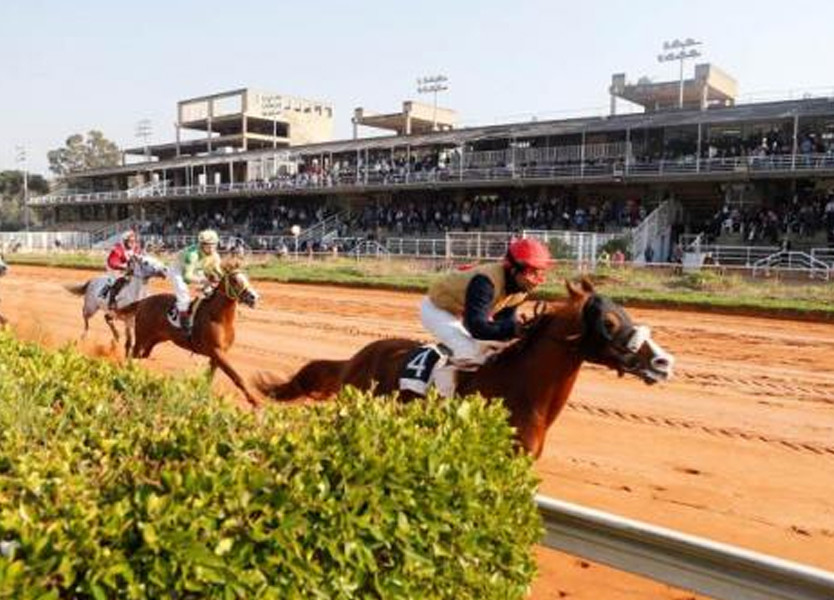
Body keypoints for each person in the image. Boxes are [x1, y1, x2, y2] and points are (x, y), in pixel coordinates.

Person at [421, 237, 551, 384]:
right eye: (531, 272)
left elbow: (504, 320)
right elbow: (477, 328)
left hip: (465, 311)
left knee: (498, 349)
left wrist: (518, 332)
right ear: (514, 269)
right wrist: (513, 329)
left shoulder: (519, 289)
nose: (535, 281)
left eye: (539, 273)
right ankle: (442, 393)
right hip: (438, 309)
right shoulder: (485, 282)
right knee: (468, 352)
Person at [170, 229, 222, 334]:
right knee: (183, 292)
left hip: (196, 269)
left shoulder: (215, 256)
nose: (211, 248)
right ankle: (184, 319)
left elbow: (219, 272)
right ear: (202, 245)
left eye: (214, 245)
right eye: (208, 245)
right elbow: (187, 277)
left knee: (209, 290)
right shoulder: (192, 254)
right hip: (179, 270)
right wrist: (205, 281)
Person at [106, 230, 139, 310]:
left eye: (134, 241)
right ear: (124, 241)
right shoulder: (117, 249)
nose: (133, 243)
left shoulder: (136, 248)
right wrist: (123, 266)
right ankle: (112, 302)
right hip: (116, 270)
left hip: (130, 270)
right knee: (120, 281)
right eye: (130, 241)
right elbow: (112, 262)